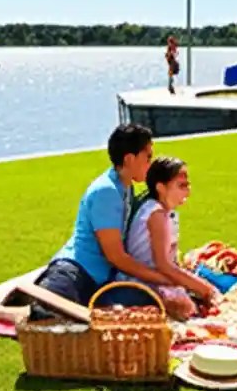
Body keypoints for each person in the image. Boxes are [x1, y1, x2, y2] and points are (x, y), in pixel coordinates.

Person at [24, 123, 176, 319]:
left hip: (99, 279)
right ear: (130, 159)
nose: (151, 163)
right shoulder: (107, 192)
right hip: (74, 274)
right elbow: (116, 256)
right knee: (45, 320)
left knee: (144, 308)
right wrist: (164, 278)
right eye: (148, 157)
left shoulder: (125, 187)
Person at [118, 157, 222, 319]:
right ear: (161, 187)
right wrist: (207, 291)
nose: (188, 191)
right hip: (146, 282)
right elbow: (164, 265)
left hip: (161, 278)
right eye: (182, 186)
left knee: (215, 281)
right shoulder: (156, 214)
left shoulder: (164, 210)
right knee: (197, 304)